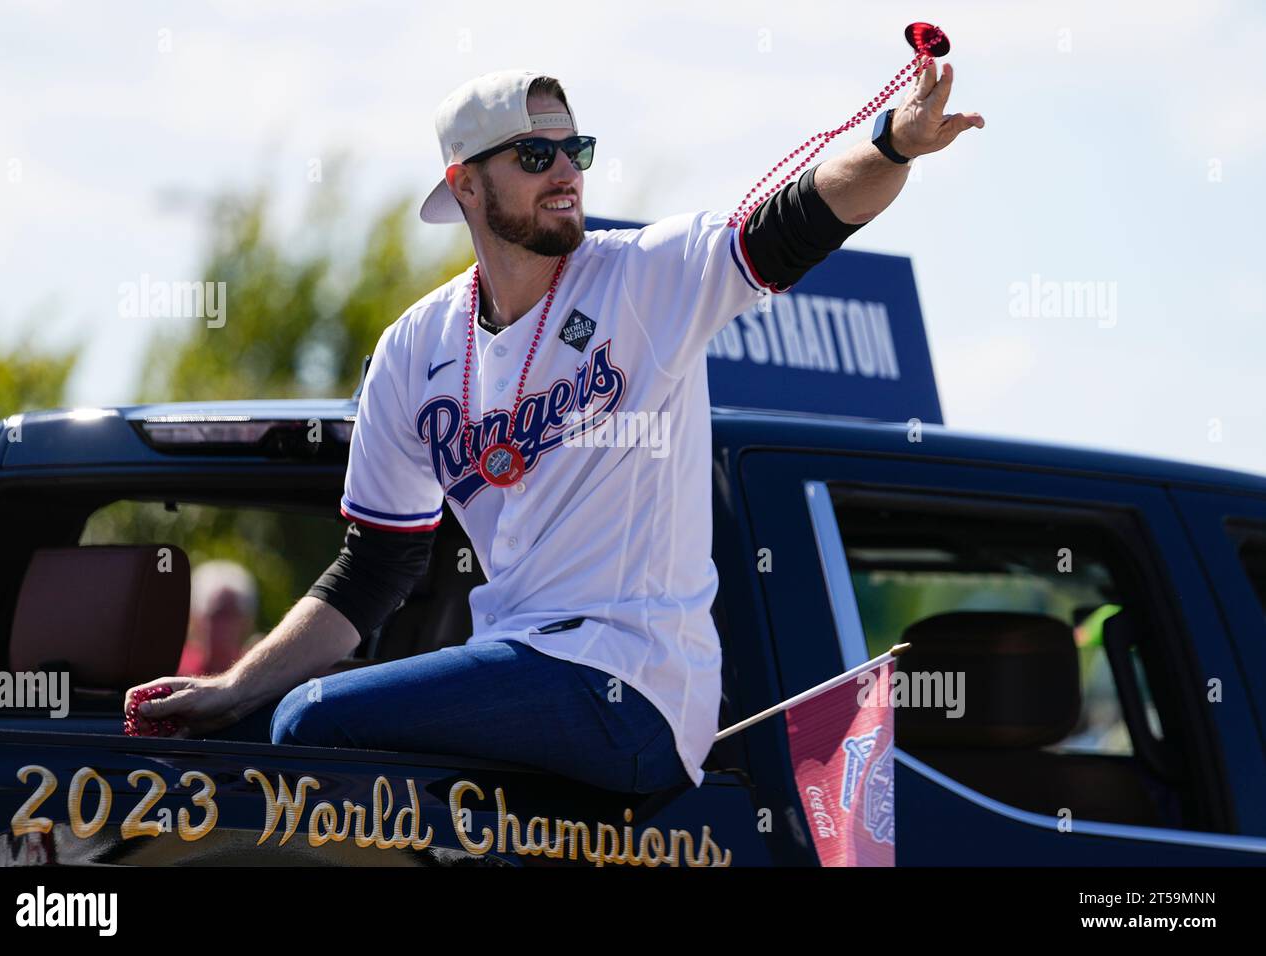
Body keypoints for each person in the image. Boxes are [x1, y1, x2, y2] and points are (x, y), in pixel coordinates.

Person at [126, 65, 982, 792]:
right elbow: (375, 570)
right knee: (271, 729)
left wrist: (893, 145)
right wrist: (232, 689)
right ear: (464, 182)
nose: (566, 170)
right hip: (520, 671)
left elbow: (799, 220)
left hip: (633, 685)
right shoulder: (412, 347)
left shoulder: (643, 279)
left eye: (577, 151)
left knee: (314, 719)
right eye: (536, 155)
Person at [176, 560, 261, 677]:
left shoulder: (256, 669)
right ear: (197, 618)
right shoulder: (176, 667)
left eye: (232, 614)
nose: (224, 625)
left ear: (246, 621)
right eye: (217, 614)